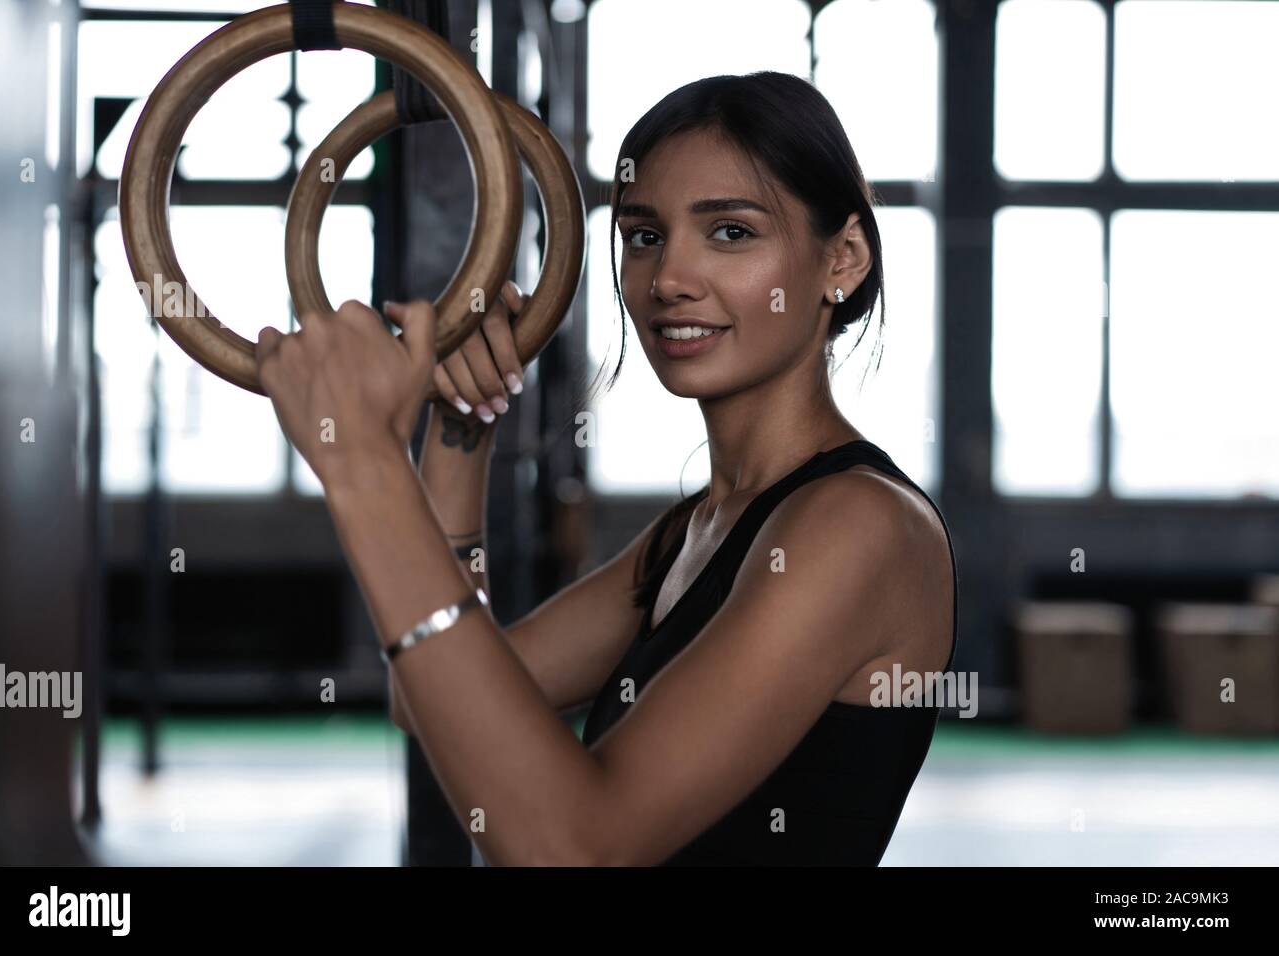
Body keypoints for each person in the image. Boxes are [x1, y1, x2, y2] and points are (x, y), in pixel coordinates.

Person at [256, 71, 957, 866]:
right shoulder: (692, 532)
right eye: (644, 235)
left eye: (730, 232)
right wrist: (461, 433)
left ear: (845, 259)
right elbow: (428, 698)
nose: (667, 280)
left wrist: (364, 467)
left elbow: (577, 849)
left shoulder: (858, 524)